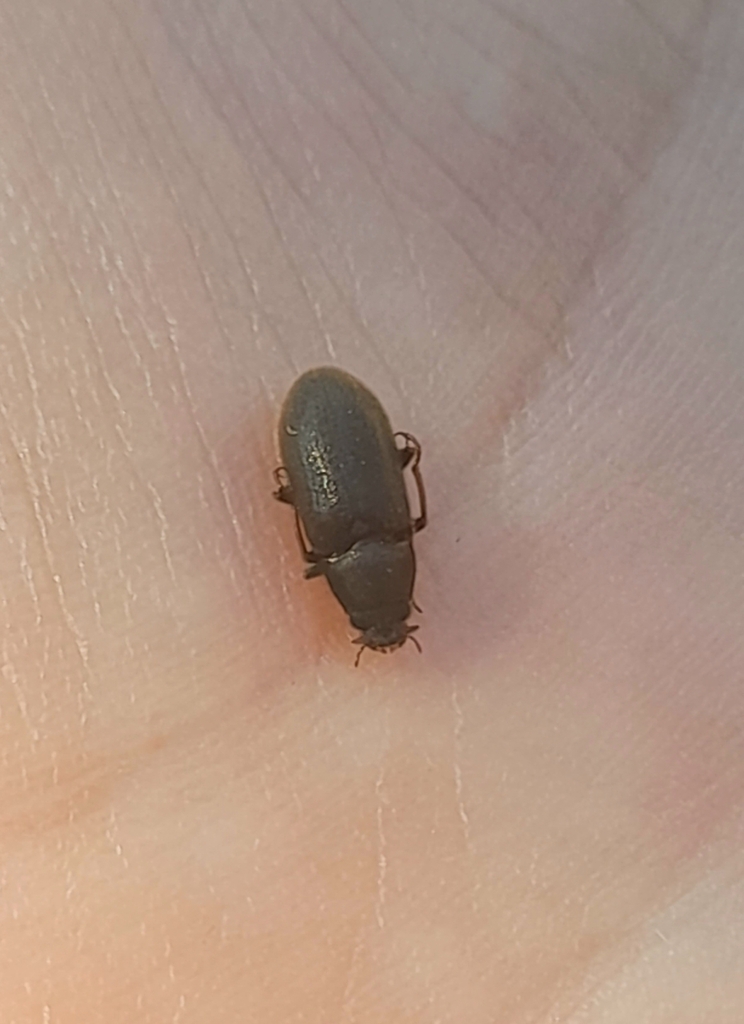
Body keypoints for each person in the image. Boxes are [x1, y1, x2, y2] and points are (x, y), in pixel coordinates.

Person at [1, 0, 741, 1018]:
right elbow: (322, 517)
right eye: (387, 620)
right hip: (337, 450)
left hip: (341, 453)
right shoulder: (365, 543)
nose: (387, 626)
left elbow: (330, 517)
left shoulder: (379, 538)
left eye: (379, 621)